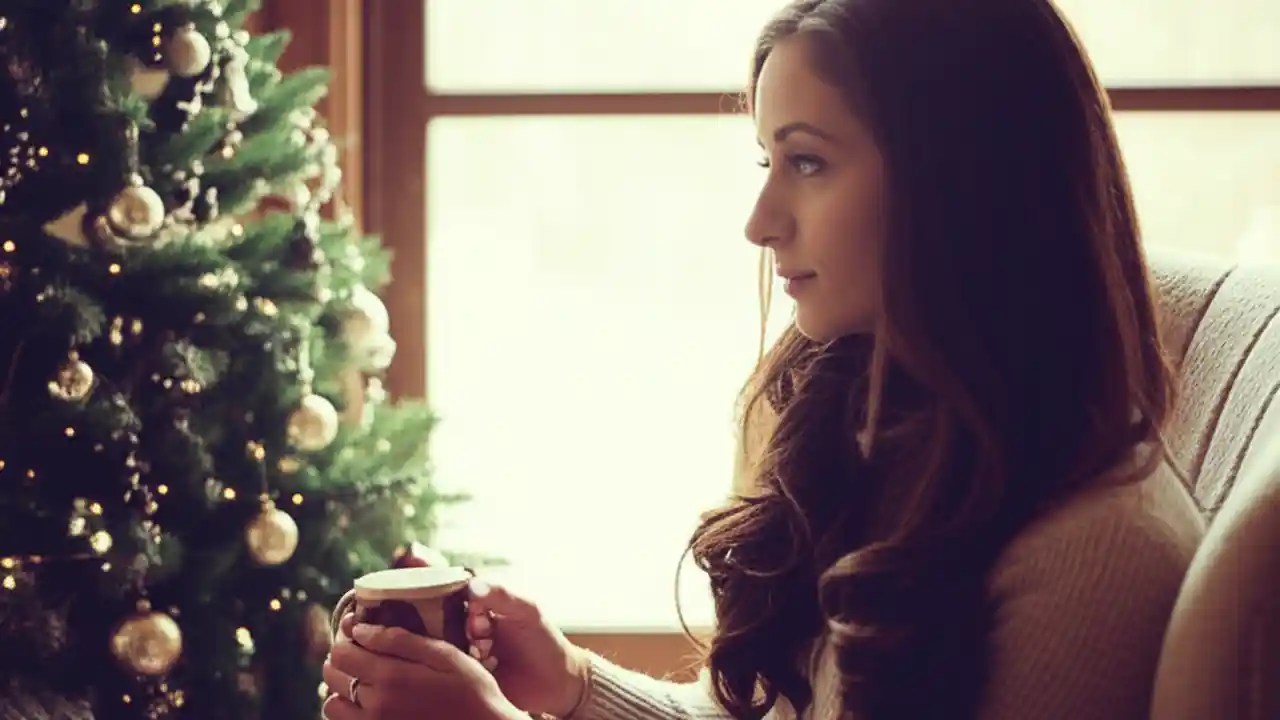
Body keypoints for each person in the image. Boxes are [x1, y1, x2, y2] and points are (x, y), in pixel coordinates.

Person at [320, 0, 1206, 717]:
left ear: (965, 184)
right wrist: (573, 683)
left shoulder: (1092, 555)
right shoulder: (892, 438)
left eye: (809, 163)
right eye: (767, 161)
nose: (759, 222)